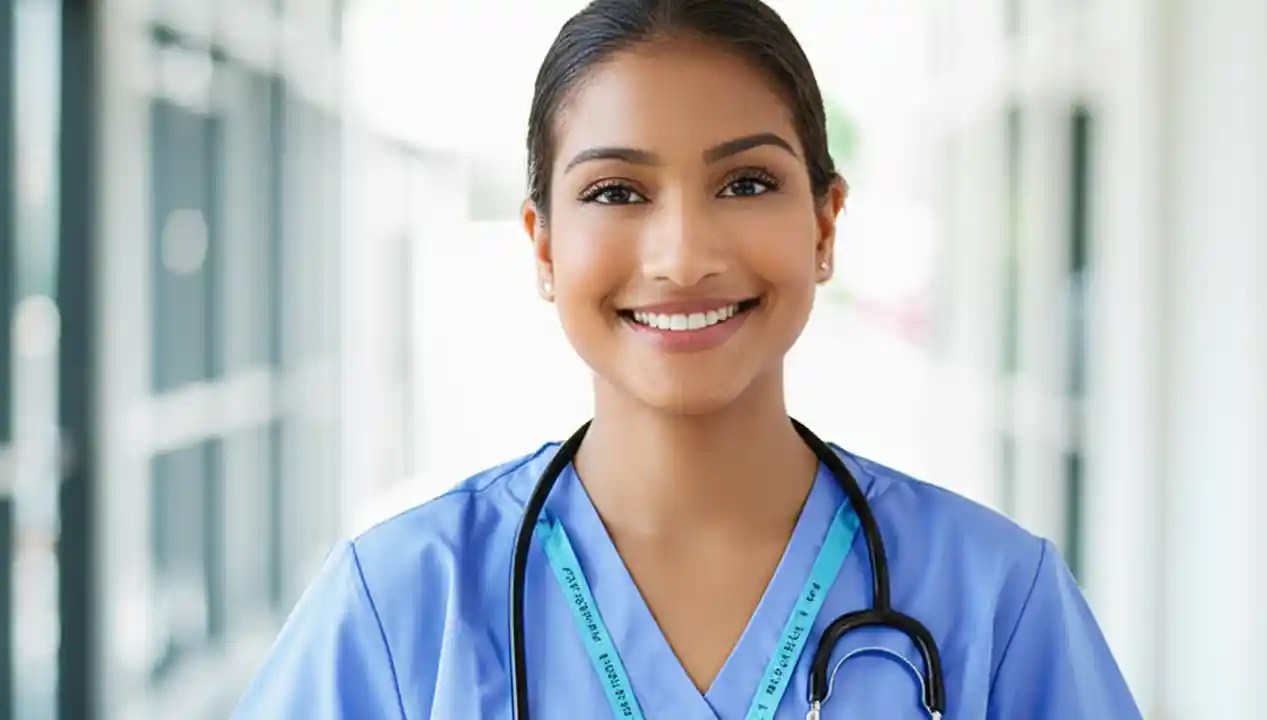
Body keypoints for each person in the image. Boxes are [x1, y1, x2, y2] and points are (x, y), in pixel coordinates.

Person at [233, 1, 1142, 717]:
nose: (681, 254)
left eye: (745, 183)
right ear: (543, 247)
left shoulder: (996, 602)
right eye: (617, 191)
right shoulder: (400, 606)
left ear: (825, 224)